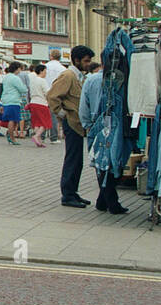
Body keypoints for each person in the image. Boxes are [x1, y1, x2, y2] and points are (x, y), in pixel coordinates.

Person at [48, 45, 94, 209]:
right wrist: (63, 115)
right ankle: (67, 194)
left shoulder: (79, 76)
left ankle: (73, 192)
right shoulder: (68, 75)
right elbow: (52, 96)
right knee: (72, 159)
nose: (89, 64)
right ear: (76, 60)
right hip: (72, 122)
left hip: (77, 123)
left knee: (77, 160)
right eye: (86, 61)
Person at [79, 61, 126, 214]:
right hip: (114, 124)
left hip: (95, 124)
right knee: (114, 162)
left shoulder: (91, 80)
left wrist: (86, 124)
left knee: (100, 163)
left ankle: (103, 199)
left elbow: (83, 105)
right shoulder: (121, 80)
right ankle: (111, 202)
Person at [0, 62, 29, 144]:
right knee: (13, 119)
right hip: (14, 100)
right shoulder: (15, 78)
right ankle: (12, 137)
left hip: (6, 100)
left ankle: (10, 135)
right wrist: (26, 88)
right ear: (17, 68)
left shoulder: (6, 77)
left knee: (12, 119)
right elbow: (22, 89)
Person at [25, 63, 52, 148]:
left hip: (33, 102)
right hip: (41, 103)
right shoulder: (42, 81)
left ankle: (38, 139)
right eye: (45, 71)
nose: (46, 73)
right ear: (41, 71)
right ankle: (37, 136)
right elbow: (47, 92)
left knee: (36, 122)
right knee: (45, 122)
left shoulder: (32, 81)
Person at [43, 49, 65, 142]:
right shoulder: (63, 69)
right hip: (57, 94)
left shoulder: (45, 67)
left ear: (51, 56)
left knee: (43, 115)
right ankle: (54, 136)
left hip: (44, 92)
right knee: (54, 116)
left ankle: (42, 136)